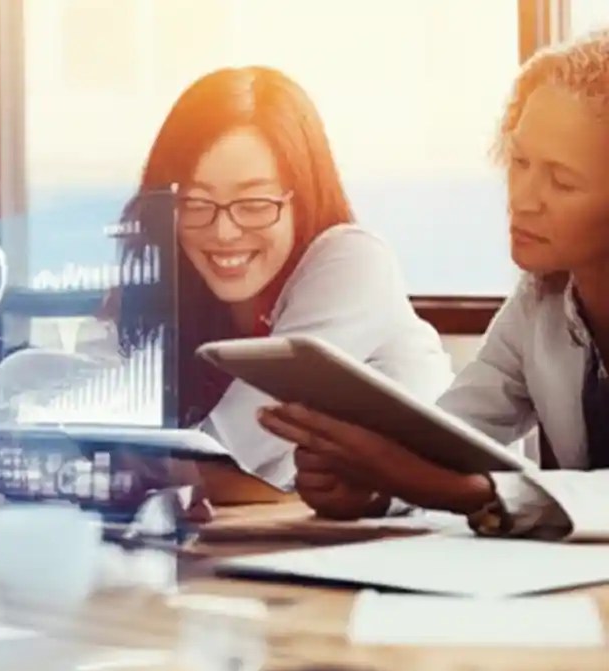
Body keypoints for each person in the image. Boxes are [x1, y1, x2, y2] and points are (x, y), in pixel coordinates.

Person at [257, 31, 609, 540]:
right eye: (520, 161)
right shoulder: (540, 302)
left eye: (561, 180)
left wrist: (467, 492)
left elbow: (451, 479)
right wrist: (372, 484)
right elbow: (447, 438)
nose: (523, 199)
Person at [107, 66, 454, 501]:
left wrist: (130, 463)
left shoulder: (352, 261)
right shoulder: (193, 303)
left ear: (302, 195)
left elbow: (211, 457)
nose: (224, 231)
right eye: (195, 203)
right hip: (306, 550)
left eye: (254, 203)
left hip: (447, 541)